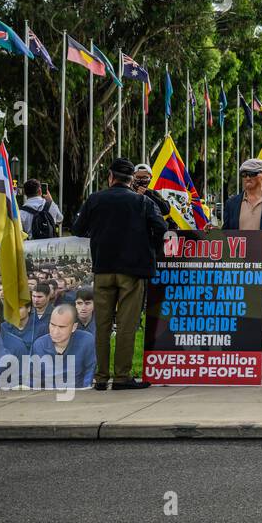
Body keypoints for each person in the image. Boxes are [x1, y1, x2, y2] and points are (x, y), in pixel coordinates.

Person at [71, 158, 167, 390]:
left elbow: (78, 229)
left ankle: (101, 377)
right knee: (127, 324)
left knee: (102, 325)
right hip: (133, 271)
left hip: (103, 269)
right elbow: (161, 228)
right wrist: (147, 246)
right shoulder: (142, 202)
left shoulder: (95, 200)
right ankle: (122, 377)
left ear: (111, 178)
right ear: (131, 179)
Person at [29, 302, 96, 390]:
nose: (55, 332)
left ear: (74, 327)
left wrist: (85, 391)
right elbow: (33, 378)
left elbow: (90, 370)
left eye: (62, 327)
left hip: (78, 394)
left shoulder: (86, 341)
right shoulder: (39, 345)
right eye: (52, 325)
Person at [17, 283, 54, 349]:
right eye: (33, 296)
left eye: (39, 297)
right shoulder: (26, 313)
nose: (36, 300)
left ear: (48, 297)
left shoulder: (55, 314)